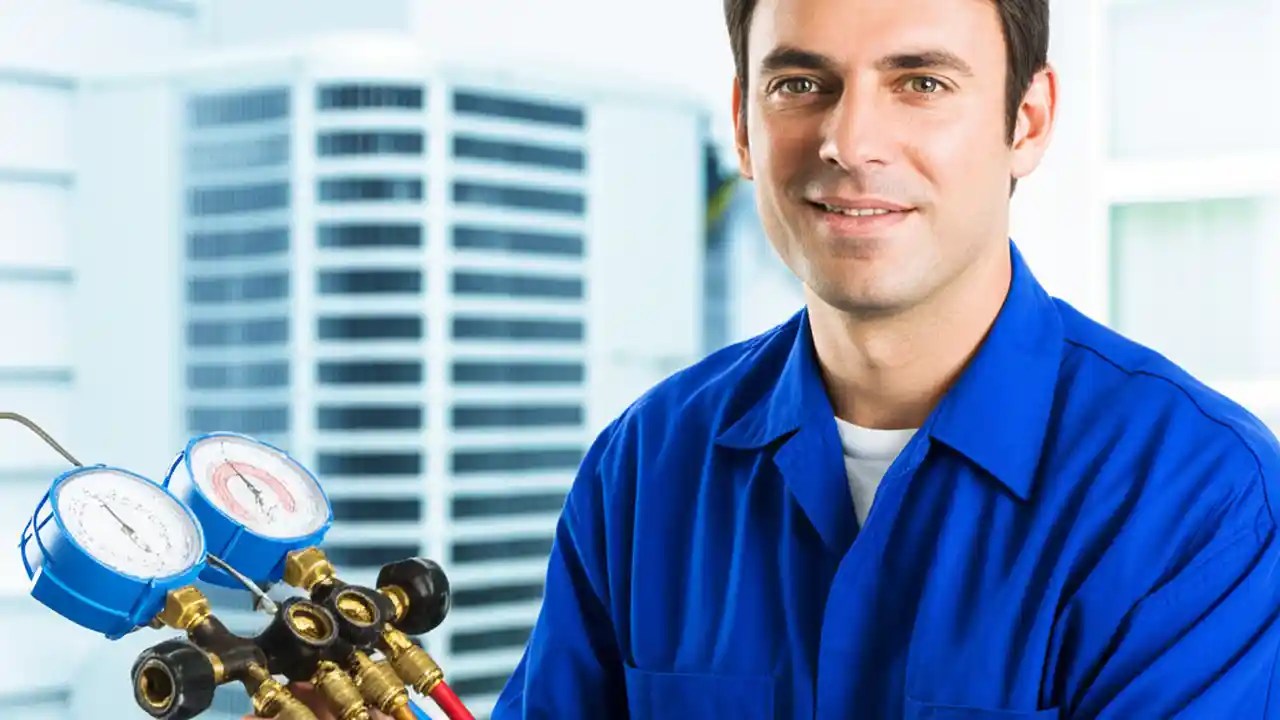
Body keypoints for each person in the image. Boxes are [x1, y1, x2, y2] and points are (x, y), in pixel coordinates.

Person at [278, 0, 1280, 718]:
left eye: (919, 82)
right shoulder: (644, 468)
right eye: (801, 83)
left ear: (1025, 119)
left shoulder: (1196, 497)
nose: (848, 139)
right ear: (744, 125)